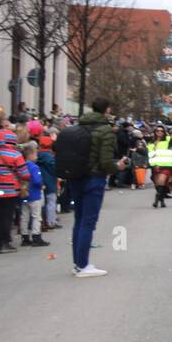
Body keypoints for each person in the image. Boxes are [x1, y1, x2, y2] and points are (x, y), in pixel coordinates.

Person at [72, 99, 125, 277]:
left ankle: (78, 263)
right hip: (94, 179)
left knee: (79, 221)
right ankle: (83, 265)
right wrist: (118, 167)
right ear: (106, 110)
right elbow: (105, 161)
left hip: (76, 176)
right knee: (89, 221)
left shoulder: (78, 126)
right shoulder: (105, 130)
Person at [0, 128, 29, 254]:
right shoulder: (16, 155)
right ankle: (5, 242)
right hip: (11, 190)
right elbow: (24, 174)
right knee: (7, 216)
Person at [18, 140, 49, 247]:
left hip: (24, 193)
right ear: (30, 154)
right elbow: (37, 180)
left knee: (24, 216)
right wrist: (41, 185)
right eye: (35, 154)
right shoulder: (34, 167)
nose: (36, 156)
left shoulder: (21, 165)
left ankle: (24, 236)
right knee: (36, 216)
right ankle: (36, 236)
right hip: (34, 194)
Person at [148, 126, 172, 208]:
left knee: (161, 181)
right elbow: (150, 155)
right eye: (157, 131)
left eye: (161, 131)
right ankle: (162, 201)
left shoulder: (168, 140)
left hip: (167, 164)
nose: (159, 132)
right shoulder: (151, 142)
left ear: (164, 132)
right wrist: (154, 147)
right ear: (155, 132)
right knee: (158, 185)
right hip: (156, 165)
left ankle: (156, 200)